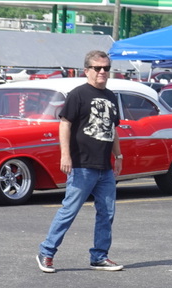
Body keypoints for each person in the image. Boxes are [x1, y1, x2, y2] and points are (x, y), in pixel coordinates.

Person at [36, 51, 124, 273]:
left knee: (106, 214)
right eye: (97, 68)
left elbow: (112, 129)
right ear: (87, 71)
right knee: (69, 211)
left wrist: (118, 156)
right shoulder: (78, 94)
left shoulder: (111, 96)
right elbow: (65, 124)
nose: (102, 72)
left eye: (106, 68)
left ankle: (99, 257)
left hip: (105, 167)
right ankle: (46, 252)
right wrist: (65, 155)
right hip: (82, 165)